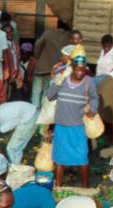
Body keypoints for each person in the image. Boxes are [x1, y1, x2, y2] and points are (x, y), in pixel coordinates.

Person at [46, 52, 98, 189]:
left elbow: (94, 97)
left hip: (78, 126)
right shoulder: (63, 80)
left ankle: (85, 188)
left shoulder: (89, 82)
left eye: (83, 69)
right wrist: (56, 82)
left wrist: (93, 109)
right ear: (72, 68)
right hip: (61, 126)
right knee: (59, 159)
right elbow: (50, 96)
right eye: (77, 69)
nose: (80, 72)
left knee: (82, 158)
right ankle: (58, 187)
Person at [0, 99, 40, 166]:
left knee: (12, 149)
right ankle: (16, 167)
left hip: (29, 117)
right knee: (14, 147)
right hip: (31, 112)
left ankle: (16, 170)